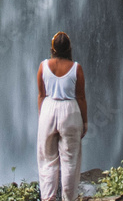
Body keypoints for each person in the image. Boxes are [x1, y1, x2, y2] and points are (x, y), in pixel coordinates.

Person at [37, 31, 88, 201]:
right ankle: (68, 199)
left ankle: (48, 198)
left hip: (48, 110)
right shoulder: (76, 68)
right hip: (70, 112)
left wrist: (42, 117)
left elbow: (41, 95)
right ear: (69, 48)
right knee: (70, 160)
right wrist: (85, 121)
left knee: (48, 160)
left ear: (52, 48)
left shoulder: (43, 66)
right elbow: (80, 97)